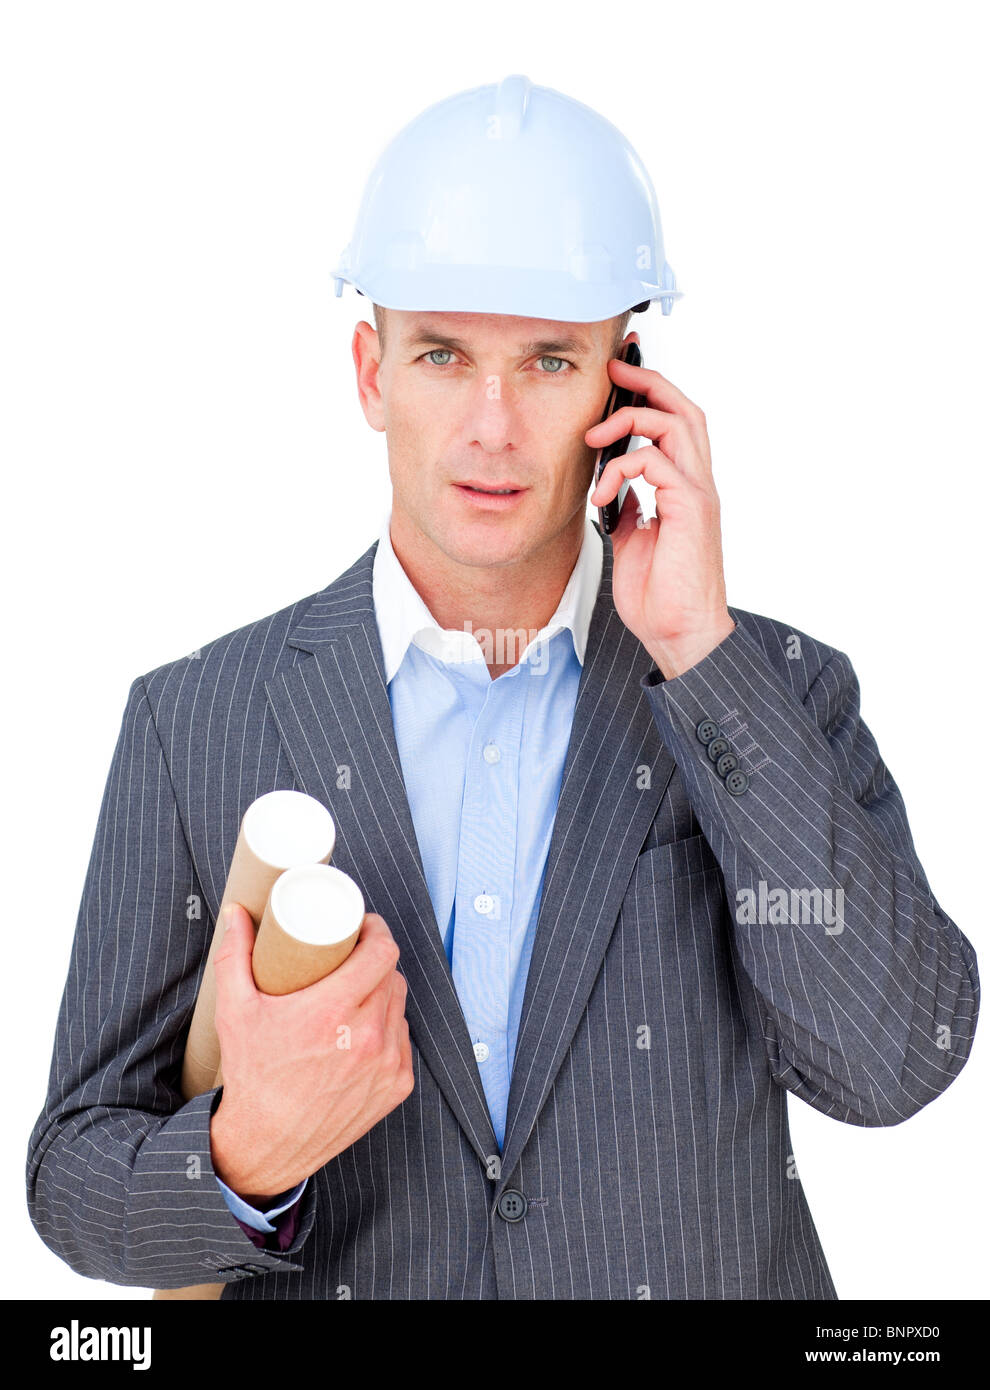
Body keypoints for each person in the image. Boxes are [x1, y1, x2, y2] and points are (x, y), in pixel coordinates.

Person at [27, 75, 979, 1301]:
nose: (492, 426)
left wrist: (700, 654)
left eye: (545, 361)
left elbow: (896, 1061)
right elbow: (71, 1171)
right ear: (370, 373)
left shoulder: (775, 690)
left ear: (622, 386)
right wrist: (242, 1157)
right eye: (441, 355)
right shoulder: (196, 721)